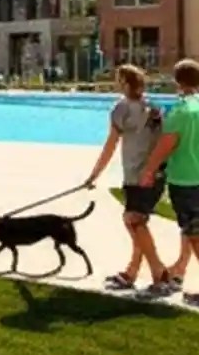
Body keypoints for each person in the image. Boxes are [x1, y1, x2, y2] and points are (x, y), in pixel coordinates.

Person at [85, 65, 182, 296]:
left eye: (119, 80)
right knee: (139, 223)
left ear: (125, 84)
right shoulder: (155, 108)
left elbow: (111, 144)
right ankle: (132, 272)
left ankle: (160, 274)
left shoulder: (121, 109)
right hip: (156, 175)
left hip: (138, 176)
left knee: (133, 221)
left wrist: (94, 174)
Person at [140, 58, 199, 307]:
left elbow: (167, 144)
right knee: (191, 231)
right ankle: (179, 269)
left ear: (178, 81)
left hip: (186, 181)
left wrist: (149, 171)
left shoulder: (181, 111)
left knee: (195, 233)